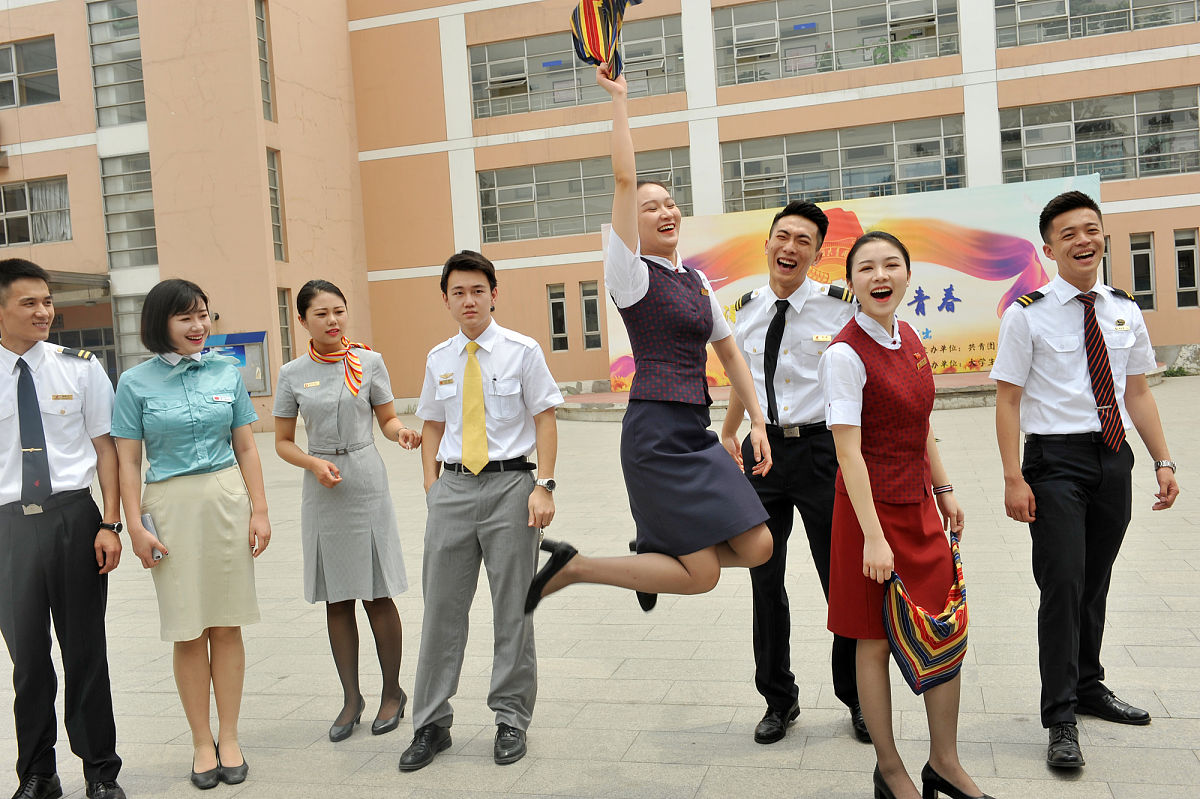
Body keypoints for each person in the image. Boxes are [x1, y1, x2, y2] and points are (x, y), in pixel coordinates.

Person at [524, 66, 772, 614]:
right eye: (650, 206)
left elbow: (729, 352)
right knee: (702, 576)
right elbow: (622, 179)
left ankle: (651, 554)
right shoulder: (629, 274)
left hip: (696, 431)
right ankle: (578, 567)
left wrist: (756, 420)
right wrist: (619, 102)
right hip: (655, 434)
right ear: (631, 224)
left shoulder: (697, 279)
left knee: (759, 544)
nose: (665, 211)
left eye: (669, 203)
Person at [991, 190, 1179, 769]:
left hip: (1113, 457)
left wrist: (1163, 460)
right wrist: (1012, 478)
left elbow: (1138, 392)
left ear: (1103, 238)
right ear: (1049, 248)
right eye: (1068, 233)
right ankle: (1061, 716)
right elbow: (1007, 401)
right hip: (1054, 464)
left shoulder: (1124, 308)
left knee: (1094, 582)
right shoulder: (1026, 314)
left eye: (1091, 229)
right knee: (1063, 584)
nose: (1083, 240)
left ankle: (1091, 685)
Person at [821, 232, 991, 799]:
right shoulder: (844, 354)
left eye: (891, 264)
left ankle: (945, 761)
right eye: (866, 267)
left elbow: (919, 425)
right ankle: (891, 770)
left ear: (906, 275)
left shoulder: (910, 336)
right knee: (871, 640)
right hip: (867, 516)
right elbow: (849, 452)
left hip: (917, 507)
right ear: (852, 282)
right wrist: (872, 537)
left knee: (946, 629)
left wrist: (943, 487)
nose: (879, 275)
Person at [399, 250, 563, 772]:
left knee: (513, 607)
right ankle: (430, 722)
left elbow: (546, 419)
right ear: (446, 300)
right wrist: (431, 486)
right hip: (451, 490)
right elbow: (431, 426)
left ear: (495, 293)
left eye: (477, 290)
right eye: (457, 293)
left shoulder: (522, 351)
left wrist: (545, 486)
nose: (468, 300)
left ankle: (510, 717)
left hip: (511, 488)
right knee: (441, 610)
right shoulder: (439, 357)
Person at [111, 279, 271, 790]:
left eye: (203, 315)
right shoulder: (134, 383)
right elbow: (128, 460)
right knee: (188, 628)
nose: (199, 326)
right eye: (186, 318)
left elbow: (245, 447)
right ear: (161, 323)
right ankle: (201, 740)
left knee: (227, 623)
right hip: (170, 506)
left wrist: (260, 510)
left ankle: (229, 736)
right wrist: (133, 524)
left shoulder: (228, 371)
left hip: (226, 499)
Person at [719, 200, 867, 746]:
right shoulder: (744, 309)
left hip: (823, 455)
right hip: (763, 457)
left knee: (842, 581)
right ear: (767, 243)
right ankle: (778, 699)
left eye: (803, 240)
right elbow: (745, 380)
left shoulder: (841, 309)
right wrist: (728, 431)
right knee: (765, 579)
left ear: (816, 253)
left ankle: (856, 698)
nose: (790, 247)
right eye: (782, 236)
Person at [0, 258, 126, 799]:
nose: (44, 311)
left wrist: (110, 522)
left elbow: (107, 448)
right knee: (28, 661)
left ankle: (100, 772)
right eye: (29, 302)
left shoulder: (79, 367)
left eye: (48, 300)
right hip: (7, 530)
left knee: (84, 653)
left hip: (75, 520)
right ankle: (38, 774)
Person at [274, 279, 419, 742]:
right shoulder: (292, 373)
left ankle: (393, 692)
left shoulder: (369, 362)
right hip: (321, 485)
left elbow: (387, 418)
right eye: (321, 314)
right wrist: (313, 463)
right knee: (337, 597)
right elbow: (281, 442)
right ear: (302, 321)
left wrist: (400, 434)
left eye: (339, 311)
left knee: (377, 592)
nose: (333, 321)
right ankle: (351, 697)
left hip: (364, 479)